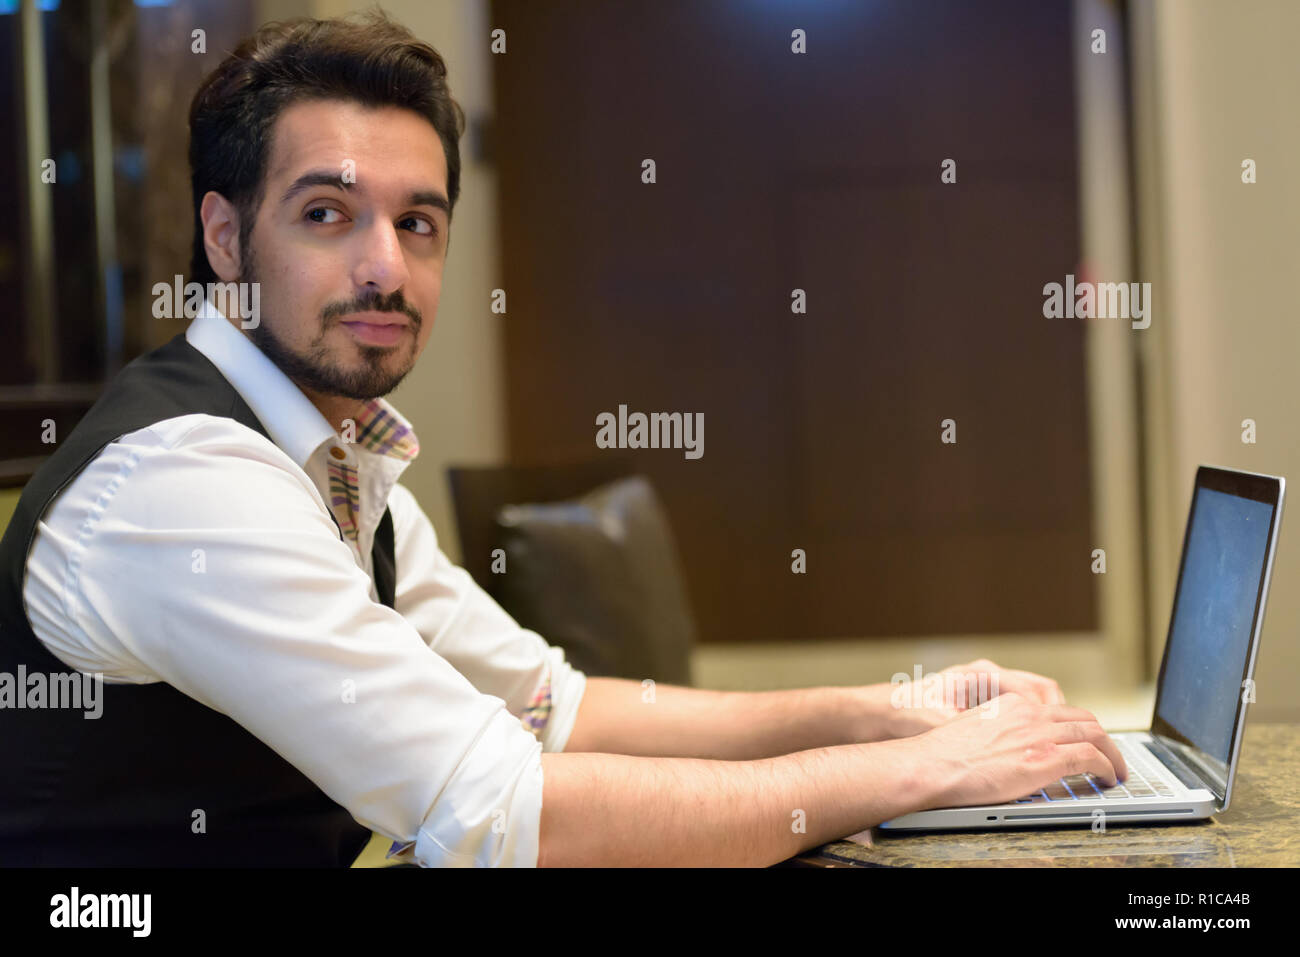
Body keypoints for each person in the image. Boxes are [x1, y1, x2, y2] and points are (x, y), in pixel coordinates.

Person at [0, 10, 1125, 867]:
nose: (386, 266)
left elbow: (551, 707)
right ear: (226, 236)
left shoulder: (341, 465)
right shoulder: (186, 479)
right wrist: (922, 771)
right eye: (327, 214)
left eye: (418, 222)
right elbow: (501, 812)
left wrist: (889, 709)